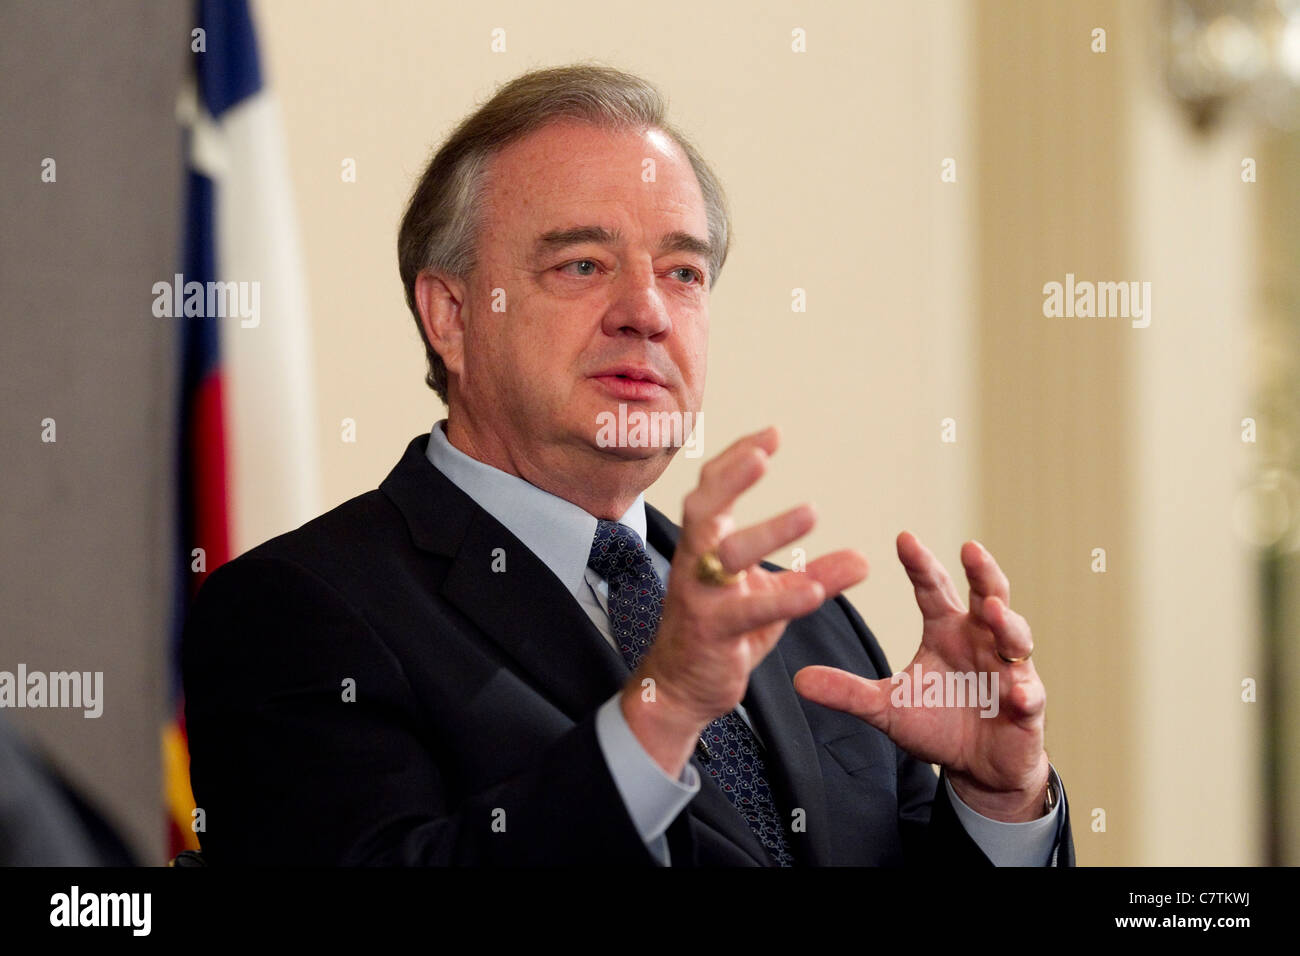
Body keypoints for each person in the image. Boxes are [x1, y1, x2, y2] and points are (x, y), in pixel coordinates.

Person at [183, 64, 1073, 866]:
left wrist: (1000, 803)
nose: (646, 312)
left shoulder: (806, 626)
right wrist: (661, 713)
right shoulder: (299, 611)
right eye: (583, 263)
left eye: (683, 273)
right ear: (451, 314)